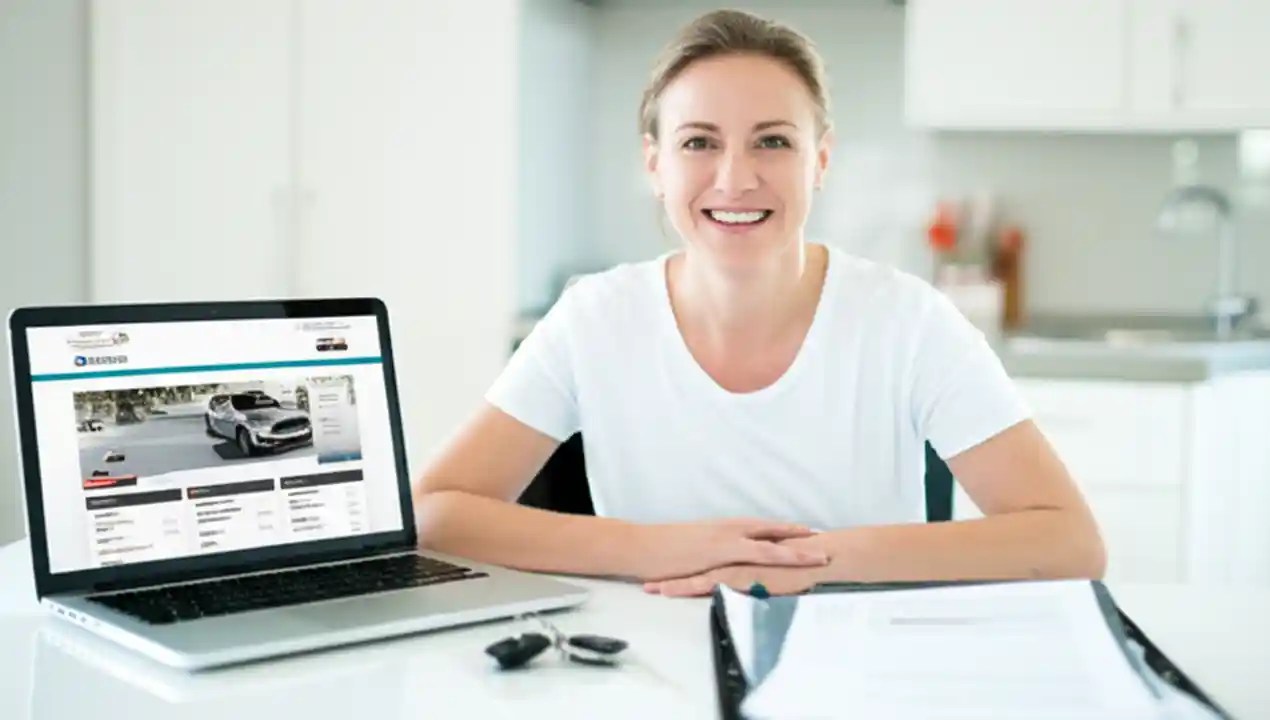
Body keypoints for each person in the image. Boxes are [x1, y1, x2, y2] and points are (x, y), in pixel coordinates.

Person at [413, 9, 1104, 597]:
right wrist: (658, 549)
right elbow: (437, 512)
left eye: (772, 141)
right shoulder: (593, 318)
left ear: (821, 161)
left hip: (864, 668)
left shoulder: (908, 321)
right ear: (655, 165)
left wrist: (803, 563)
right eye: (698, 143)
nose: (735, 178)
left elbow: (1070, 541)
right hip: (650, 666)